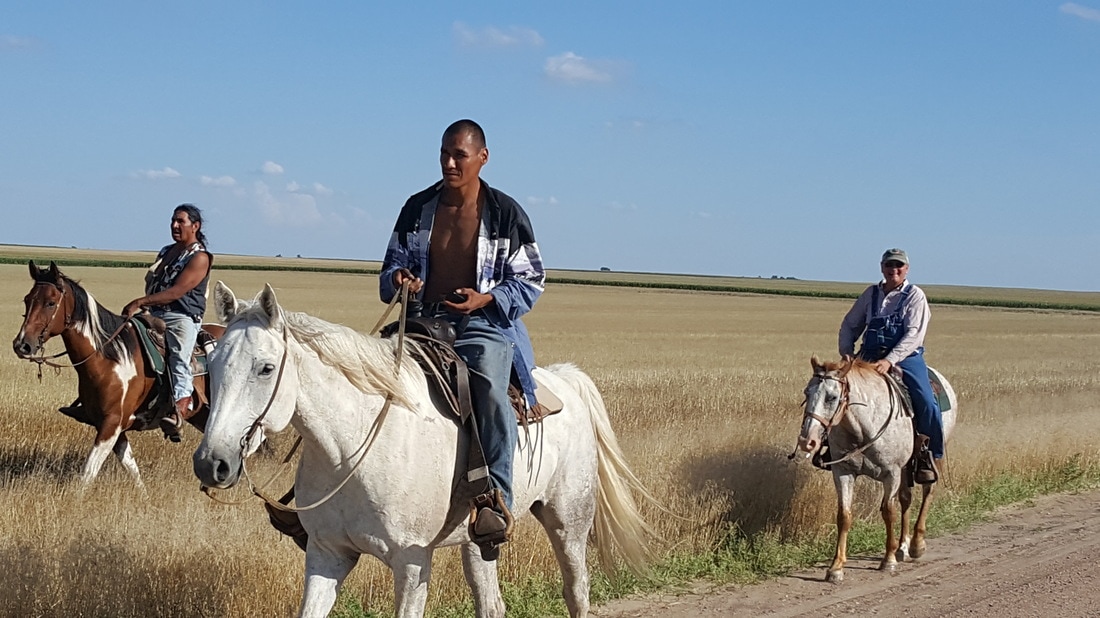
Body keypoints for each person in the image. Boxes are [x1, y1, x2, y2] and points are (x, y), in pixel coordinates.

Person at [379, 119, 546, 559]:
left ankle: (496, 499)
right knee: (361, 372)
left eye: (460, 155)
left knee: (490, 389)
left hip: (482, 324)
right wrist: (399, 278)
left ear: (482, 158)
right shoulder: (417, 208)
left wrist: (485, 298)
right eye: (444, 154)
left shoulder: (505, 213)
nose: (450, 163)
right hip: (420, 319)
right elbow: (390, 265)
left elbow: (532, 280)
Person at [838, 248, 943, 484]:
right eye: (889, 265)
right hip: (868, 357)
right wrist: (846, 353)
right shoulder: (870, 294)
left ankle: (927, 453)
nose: (893, 270)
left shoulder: (915, 296)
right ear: (881, 267)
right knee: (834, 390)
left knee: (926, 401)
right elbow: (849, 324)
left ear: (906, 269)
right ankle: (829, 447)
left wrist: (890, 360)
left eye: (898, 266)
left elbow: (914, 334)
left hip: (906, 358)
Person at [123, 204, 213, 443]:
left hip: (181, 317)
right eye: (173, 220)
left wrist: (140, 301)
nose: (174, 225)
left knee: (177, 355)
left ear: (195, 226)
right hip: (154, 311)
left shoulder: (200, 257)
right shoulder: (166, 251)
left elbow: (176, 291)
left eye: (180, 221)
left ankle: (180, 409)